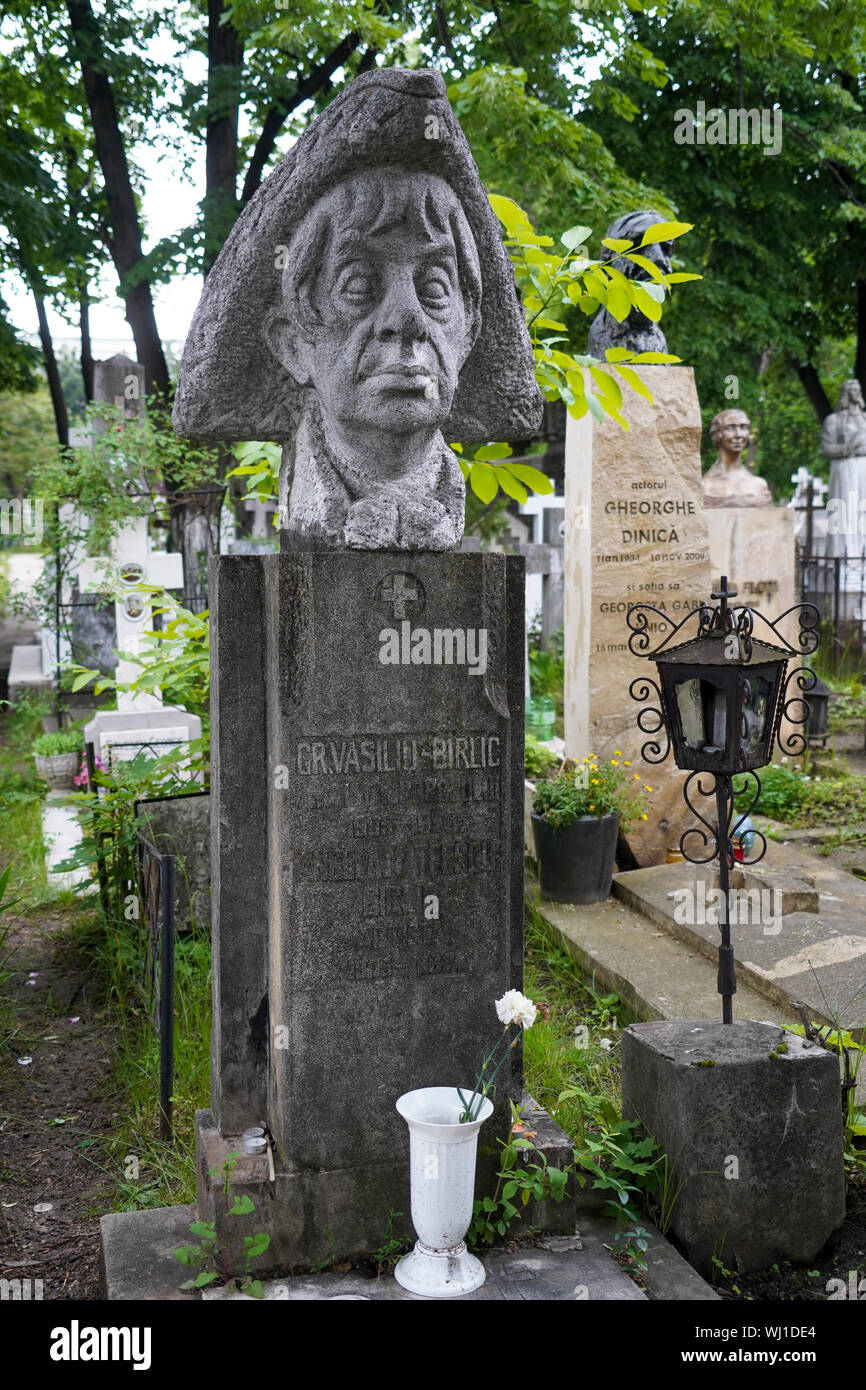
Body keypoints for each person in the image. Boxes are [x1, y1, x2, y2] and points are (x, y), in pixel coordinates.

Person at [701, 409, 772, 508]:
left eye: (743, 427)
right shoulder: (705, 486)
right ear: (717, 434)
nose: (739, 435)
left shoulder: (759, 485)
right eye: (731, 428)